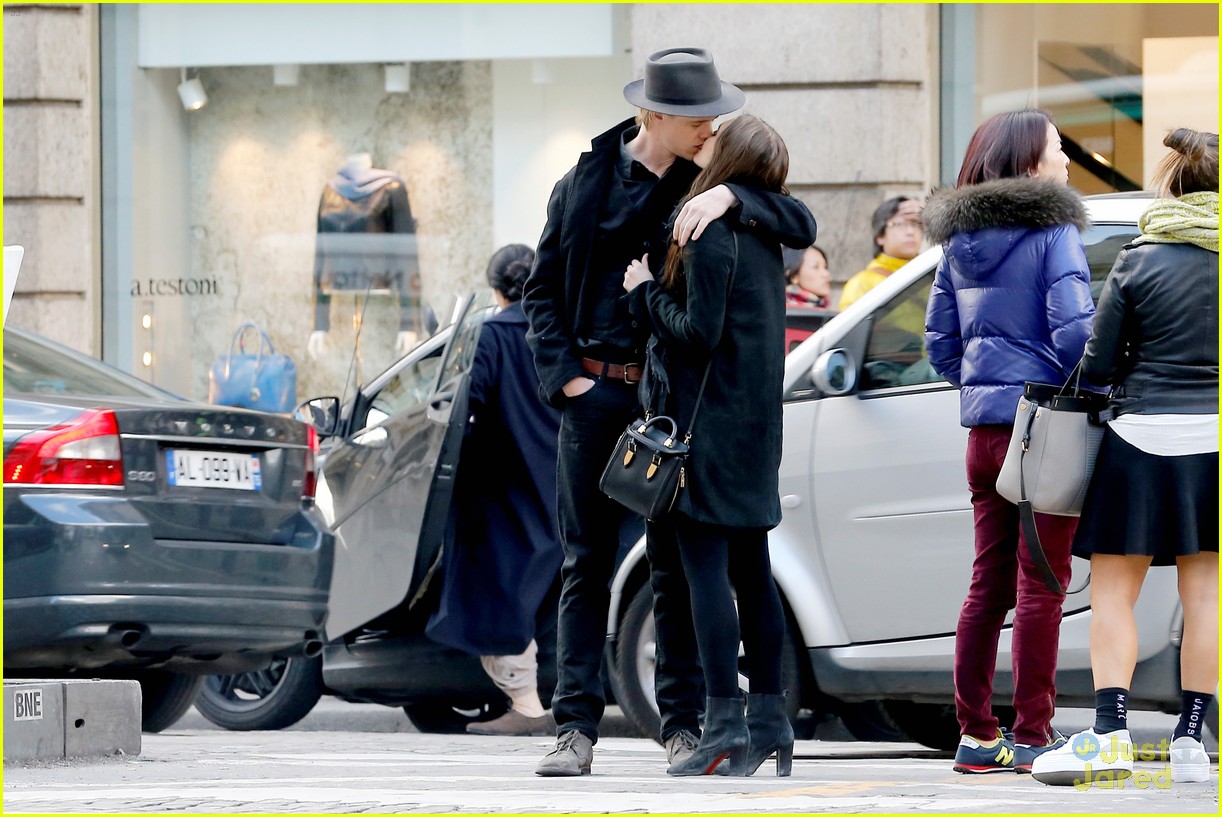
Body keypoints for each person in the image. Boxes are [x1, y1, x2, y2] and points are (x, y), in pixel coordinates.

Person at [522, 47, 816, 777]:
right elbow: (541, 291)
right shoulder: (585, 181)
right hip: (598, 394)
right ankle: (574, 727)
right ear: (653, 114)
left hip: (673, 406)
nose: (710, 126)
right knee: (586, 561)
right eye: (696, 116)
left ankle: (684, 725)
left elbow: (799, 219)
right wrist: (569, 383)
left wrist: (733, 199)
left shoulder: (708, 183)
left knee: (677, 568)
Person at [1031, 129, 1219, 787]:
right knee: (1207, 594)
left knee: (1115, 591)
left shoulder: (1140, 260)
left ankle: (1109, 732)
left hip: (1139, 437)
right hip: (1218, 443)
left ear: (1173, 183)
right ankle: (1191, 743)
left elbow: (1098, 365)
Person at [623, 114, 796, 777]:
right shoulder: (765, 234)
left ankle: (723, 721)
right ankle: (772, 721)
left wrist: (644, 296)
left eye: (716, 138)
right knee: (754, 576)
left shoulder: (709, 231)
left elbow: (697, 332)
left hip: (707, 435)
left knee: (705, 581)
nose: (705, 141)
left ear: (730, 163)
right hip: (755, 433)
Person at [924, 108, 1095, 774]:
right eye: (1058, 150)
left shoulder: (959, 243)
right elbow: (1077, 334)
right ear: (1029, 163)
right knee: (1041, 585)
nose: (1065, 162)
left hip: (986, 433)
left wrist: (982, 388)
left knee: (987, 583)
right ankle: (1032, 733)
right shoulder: (1054, 232)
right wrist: (1082, 391)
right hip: (1045, 426)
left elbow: (941, 343)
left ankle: (975, 734)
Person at [425, 244, 562, 737]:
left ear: (496, 290)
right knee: (547, 592)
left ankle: (525, 705)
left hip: (504, 484)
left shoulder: (492, 334)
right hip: (563, 477)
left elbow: (465, 405)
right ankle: (547, 698)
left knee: (498, 590)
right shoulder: (561, 328)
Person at [839, 196, 923, 310]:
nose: (910, 232)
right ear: (880, 236)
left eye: (915, 224)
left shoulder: (935, 273)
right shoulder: (862, 284)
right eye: (899, 224)